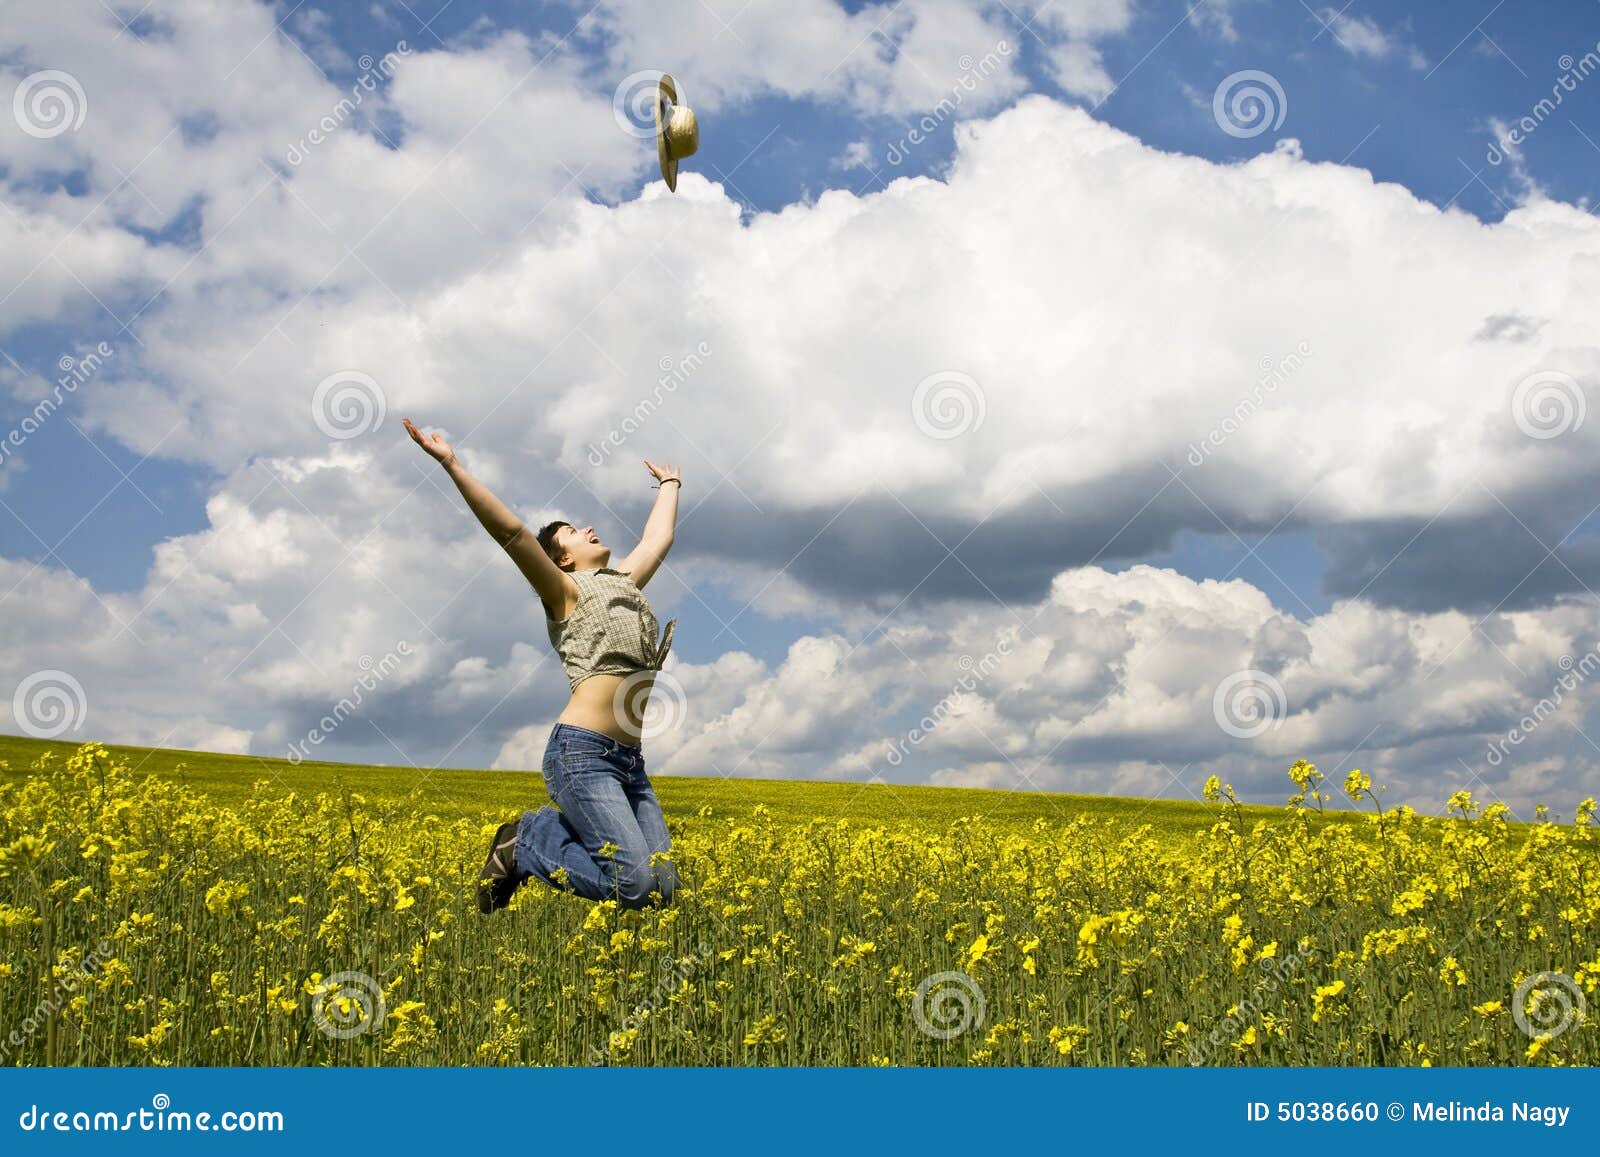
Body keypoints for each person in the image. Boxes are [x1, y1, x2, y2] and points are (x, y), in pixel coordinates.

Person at [402, 417, 682, 913]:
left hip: (628, 761)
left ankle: (537, 842)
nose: (589, 528)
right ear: (563, 561)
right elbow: (510, 532)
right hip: (583, 755)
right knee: (634, 886)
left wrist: (669, 484)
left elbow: (658, 540)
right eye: (574, 531)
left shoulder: (623, 582)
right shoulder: (565, 593)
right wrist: (451, 464)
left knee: (663, 891)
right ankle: (526, 840)